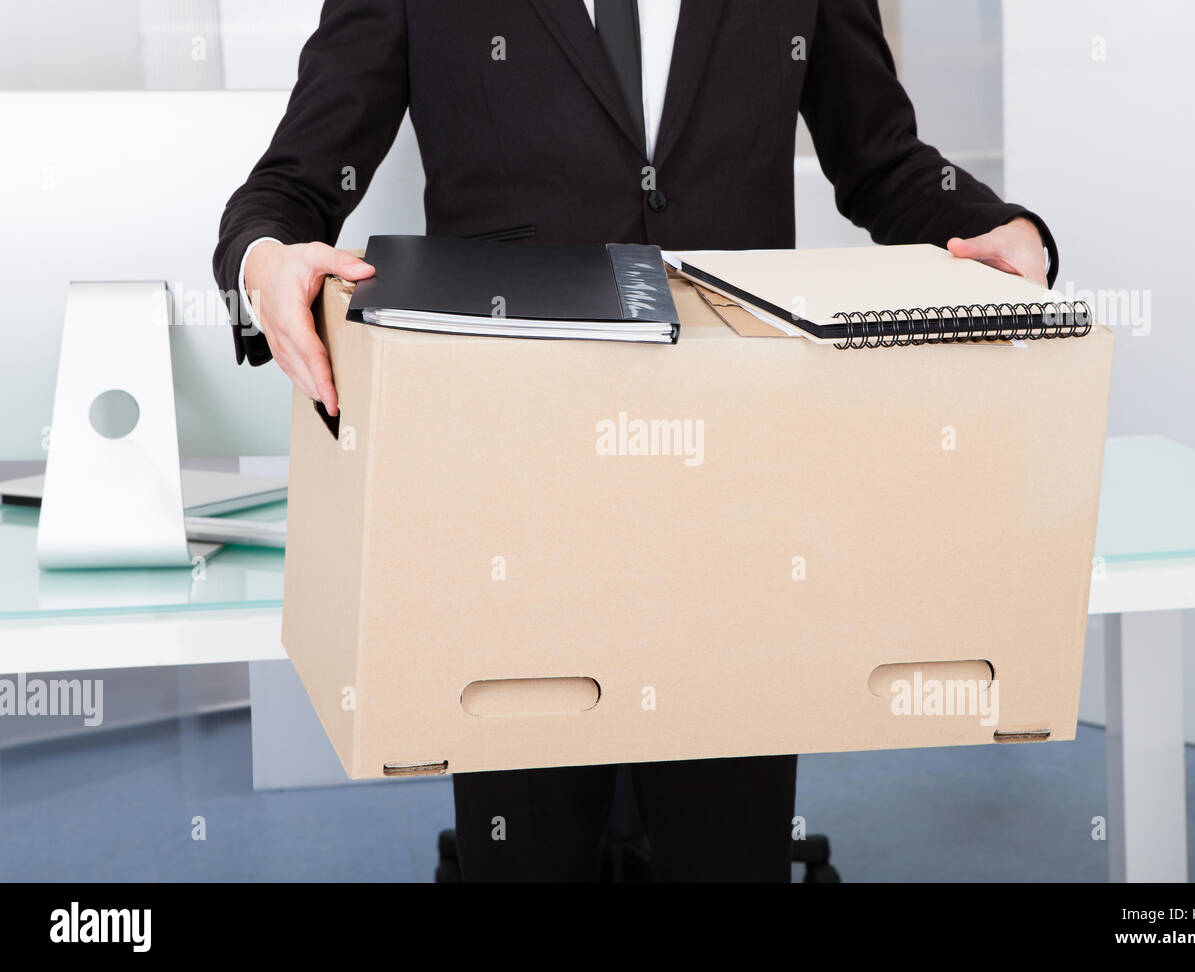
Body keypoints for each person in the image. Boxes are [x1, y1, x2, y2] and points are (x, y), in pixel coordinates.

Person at [214, 0, 1058, 882]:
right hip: (515, 497)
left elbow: (880, 157)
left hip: (736, 490)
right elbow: (295, 182)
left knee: (731, 849)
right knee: (527, 853)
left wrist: (1000, 226)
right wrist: (262, 258)